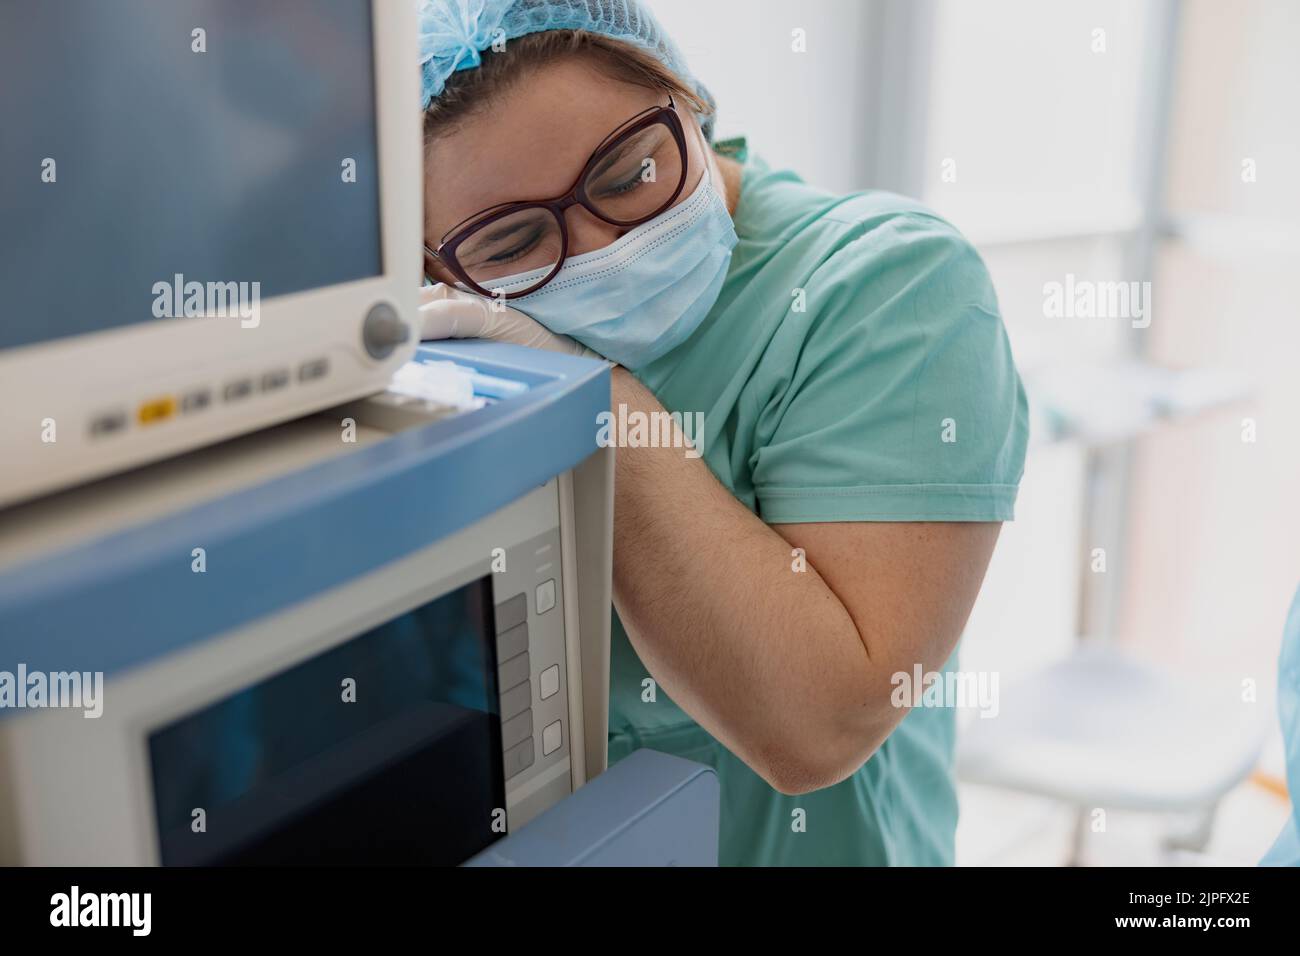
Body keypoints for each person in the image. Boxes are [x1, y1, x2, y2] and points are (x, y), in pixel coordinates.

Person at [416, 0, 1029, 866]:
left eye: (629, 174)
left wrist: (598, 410)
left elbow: (815, 728)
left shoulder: (893, 285)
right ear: (432, 264)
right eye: (516, 238)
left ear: (690, 100)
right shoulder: (456, 330)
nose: (604, 247)